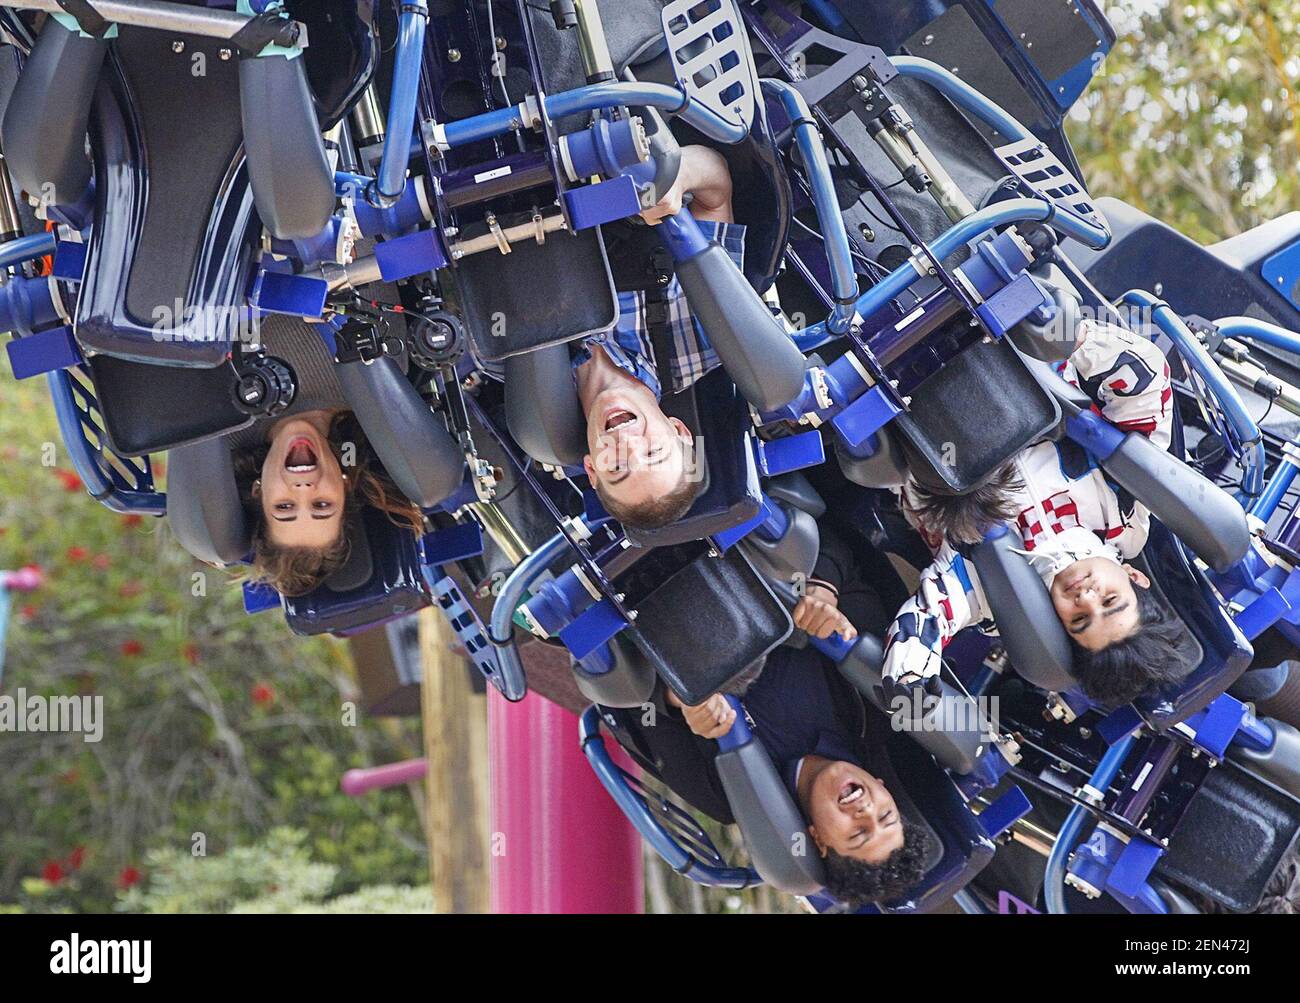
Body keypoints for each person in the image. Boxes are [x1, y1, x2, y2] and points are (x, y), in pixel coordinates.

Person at [882, 320, 1200, 706]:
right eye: (1111, 600)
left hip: (899, 408)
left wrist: (909, 671)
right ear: (1134, 577)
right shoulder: (1125, 511)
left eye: (1079, 620)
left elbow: (933, 614)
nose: (1085, 598)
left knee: (867, 462)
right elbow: (1145, 391)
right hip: (995, 343)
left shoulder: (996, 596)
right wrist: (1071, 338)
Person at [225, 319, 423, 597]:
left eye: (284, 507)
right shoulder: (376, 372)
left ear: (258, 491)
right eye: (321, 504)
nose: (303, 490)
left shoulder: (222, 420)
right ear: (344, 485)